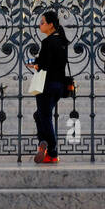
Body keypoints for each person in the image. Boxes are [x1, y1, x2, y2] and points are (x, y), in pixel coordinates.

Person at [28, 9, 71, 164]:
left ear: (51, 25)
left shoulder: (47, 42)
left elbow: (44, 65)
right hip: (59, 86)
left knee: (44, 117)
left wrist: (34, 65)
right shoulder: (62, 41)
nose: (40, 25)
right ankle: (43, 143)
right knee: (39, 115)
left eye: (42, 22)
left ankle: (50, 150)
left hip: (46, 85)